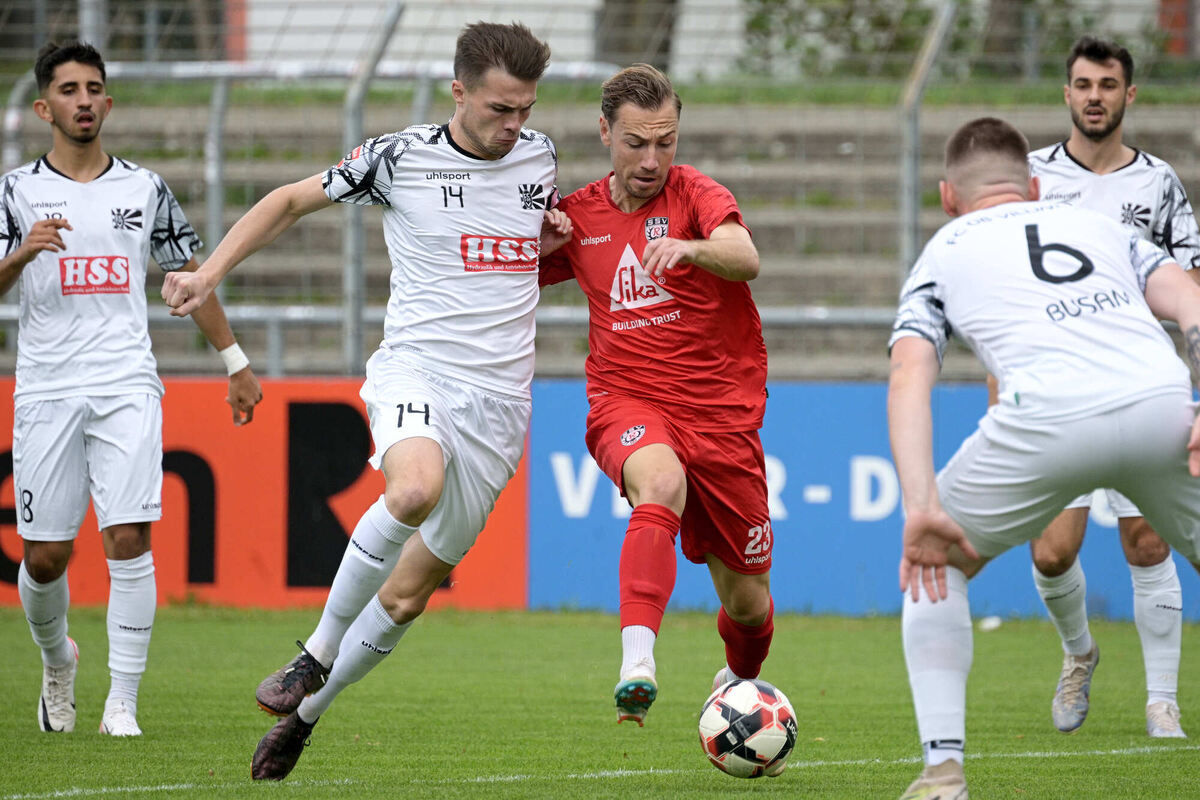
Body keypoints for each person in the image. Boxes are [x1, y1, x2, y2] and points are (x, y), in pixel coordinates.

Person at [161, 22, 567, 781]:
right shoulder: (398, 156)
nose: (514, 125)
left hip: (500, 405)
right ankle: (313, 654)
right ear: (459, 92)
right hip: (418, 369)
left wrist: (552, 232)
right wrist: (210, 272)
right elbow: (286, 202)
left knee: (409, 598)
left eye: (525, 109)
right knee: (413, 488)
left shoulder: (540, 159)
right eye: (499, 108)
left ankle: (305, 719)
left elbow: (532, 239)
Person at [888, 116, 1200, 799]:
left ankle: (943, 772)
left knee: (935, 563)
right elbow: (1188, 299)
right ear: (1034, 187)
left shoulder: (943, 249)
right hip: (1160, 402)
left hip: (1045, 418)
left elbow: (910, 373)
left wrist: (921, 508)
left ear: (946, 196)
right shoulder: (1104, 229)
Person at [0, 42, 262, 738]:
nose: (83, 100)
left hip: (125, 383)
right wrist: (21, 252)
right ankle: (58, 660)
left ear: (107, 103)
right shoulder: (15, 191)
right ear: (43, 107)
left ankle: (123, 702)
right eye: (68, 89)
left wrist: (234, 361)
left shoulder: (144, 189)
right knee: (46, 555)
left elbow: (191, 275)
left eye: (93, 89)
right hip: (48, 388)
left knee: (127, 536)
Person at [539, 64, 775, 741]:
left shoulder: (697, 194)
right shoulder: (579, 216)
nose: (651, 159)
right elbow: (511, 273)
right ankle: (636, 660)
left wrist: (691, 248)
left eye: (665, 142)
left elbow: (744, 254)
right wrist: (536, 246)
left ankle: (737, 680)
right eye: (636, 142)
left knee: (749, 604)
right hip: (628, 398)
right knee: (660, 481)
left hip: (723, 416)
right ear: (604, 131)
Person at [1021, 35, 1200, 738]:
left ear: (1130, 96)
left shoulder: (1157, 184)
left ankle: (1162, 701)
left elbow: (1188, 286)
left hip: (1139, 382)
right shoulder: (1031, 178)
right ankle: (1079, 652)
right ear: (1066, 94)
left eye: (1108, 85)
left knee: (1147, 542)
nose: (1094, 96)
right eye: (1083, 84)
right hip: (1057, 384)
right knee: (1051, 551)